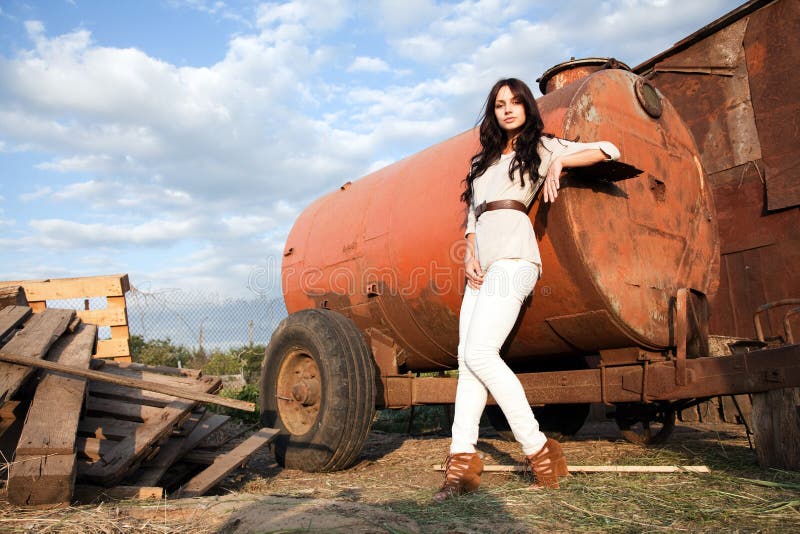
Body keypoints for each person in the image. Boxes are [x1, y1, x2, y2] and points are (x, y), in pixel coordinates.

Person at [434, 78, 620, 501]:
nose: (507, 109)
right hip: (481, 266)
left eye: (515, 102)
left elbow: (609, 149)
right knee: (466, 361)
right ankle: (461, 465)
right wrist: (469, 252)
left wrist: (560, 163)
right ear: (493, 112)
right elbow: (473, 216)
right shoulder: (482, 163)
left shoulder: (541, 147)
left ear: (526, 107)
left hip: (516, 259)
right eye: (500, 103)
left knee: (482, 353)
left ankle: (538, 450)